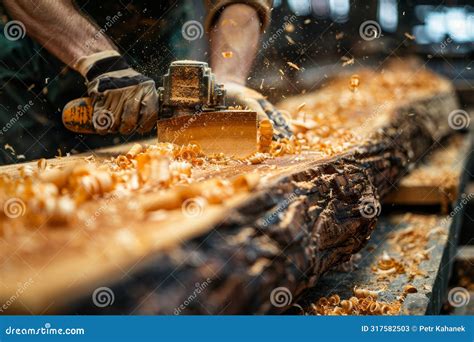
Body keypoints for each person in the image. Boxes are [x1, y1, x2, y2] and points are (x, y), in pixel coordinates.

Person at [0, 0, 291, 164]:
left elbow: (240, 3)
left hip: (157, 35)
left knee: (145, 168)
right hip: (37, 39)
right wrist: (100, 60)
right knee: (29, 179)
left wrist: (226, 82)